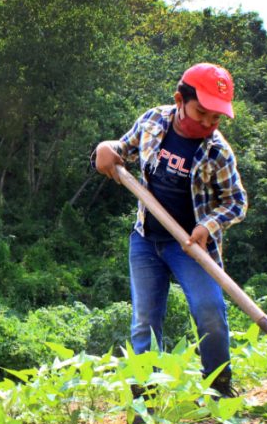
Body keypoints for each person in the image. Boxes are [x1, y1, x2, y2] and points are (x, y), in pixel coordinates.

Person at [92, 63, 247, 401]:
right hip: (146, 240)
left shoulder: (217, 151)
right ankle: (146, 398)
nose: (207, 124)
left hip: (191, 245)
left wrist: (207, 225)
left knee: (210, 313)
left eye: (215, 118)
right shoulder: (152, 122)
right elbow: (123, 150)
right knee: (144, 321)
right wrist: (107, 148)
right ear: (180, 99)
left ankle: (219, 390)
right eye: (200, 113)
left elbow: (236, 202)